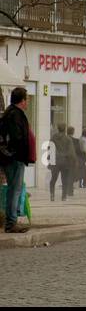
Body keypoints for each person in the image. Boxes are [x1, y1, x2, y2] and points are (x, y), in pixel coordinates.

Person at [0, 87, 32, 233]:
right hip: (14, 158)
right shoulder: (15, 115)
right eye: (26, 99)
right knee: (15, 190)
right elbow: (16, 137)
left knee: (13, 189)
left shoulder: (10, 112)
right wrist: (18, 153)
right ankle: (11, 222)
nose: (28, 102)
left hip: (10, 157)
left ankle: (10, 221)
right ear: (22, 100)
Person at [50, 123, 77, 202]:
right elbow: (71, 152)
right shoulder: (68, 139)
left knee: (53, 179)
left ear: (58, 128)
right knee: (64, 180)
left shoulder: (53, 137)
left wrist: (50, 161)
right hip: (65, 162)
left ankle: (52, 195)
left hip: (55, 161)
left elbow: (50, 148)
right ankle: (63, 196)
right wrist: (73, 160)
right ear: (65, 129)